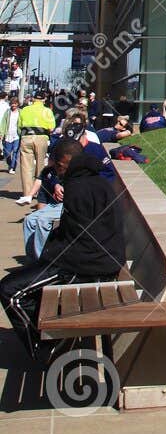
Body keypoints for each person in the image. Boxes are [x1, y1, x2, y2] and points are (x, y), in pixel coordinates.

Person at [1, 143, 124, 357]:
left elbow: (79, 240)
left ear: (61, 164)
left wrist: (49, 258)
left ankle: (44, 349)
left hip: (87, 267)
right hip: (98, 261)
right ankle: (50, 338)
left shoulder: (78, 188)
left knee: (10, 291)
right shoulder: (97, 182)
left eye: (57, 168)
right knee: (31, 282)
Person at [22, 147, 66, 261]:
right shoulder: (49, 172)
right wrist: (56, 184)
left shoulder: (72, 169)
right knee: (29, 220)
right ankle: (33, 260)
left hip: (67, 204)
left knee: (42, 220)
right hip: (54, 205)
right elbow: (43, 194)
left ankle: (44, 261)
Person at [16, 90, 56, 204]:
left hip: (26, 137)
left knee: (26, 167)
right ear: (44, 100)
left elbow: (19, 126)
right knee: (41, 165)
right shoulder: (47, 111)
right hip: (41, 137)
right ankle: (40, 191)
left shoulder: (24, 110)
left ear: (33, 99)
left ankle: (27, 193)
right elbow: (51, 127)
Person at [0, 91, 19, 172]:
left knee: (15, 151)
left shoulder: (20, 112)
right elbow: (3, 123)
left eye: (15, 104)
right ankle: (10, 164)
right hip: (8, 135)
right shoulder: (7, 112)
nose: (13, 105)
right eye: (12, 103)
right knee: (7, 153)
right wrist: (2, 133)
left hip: (16, 135)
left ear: (18, 104)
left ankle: (12, 167)